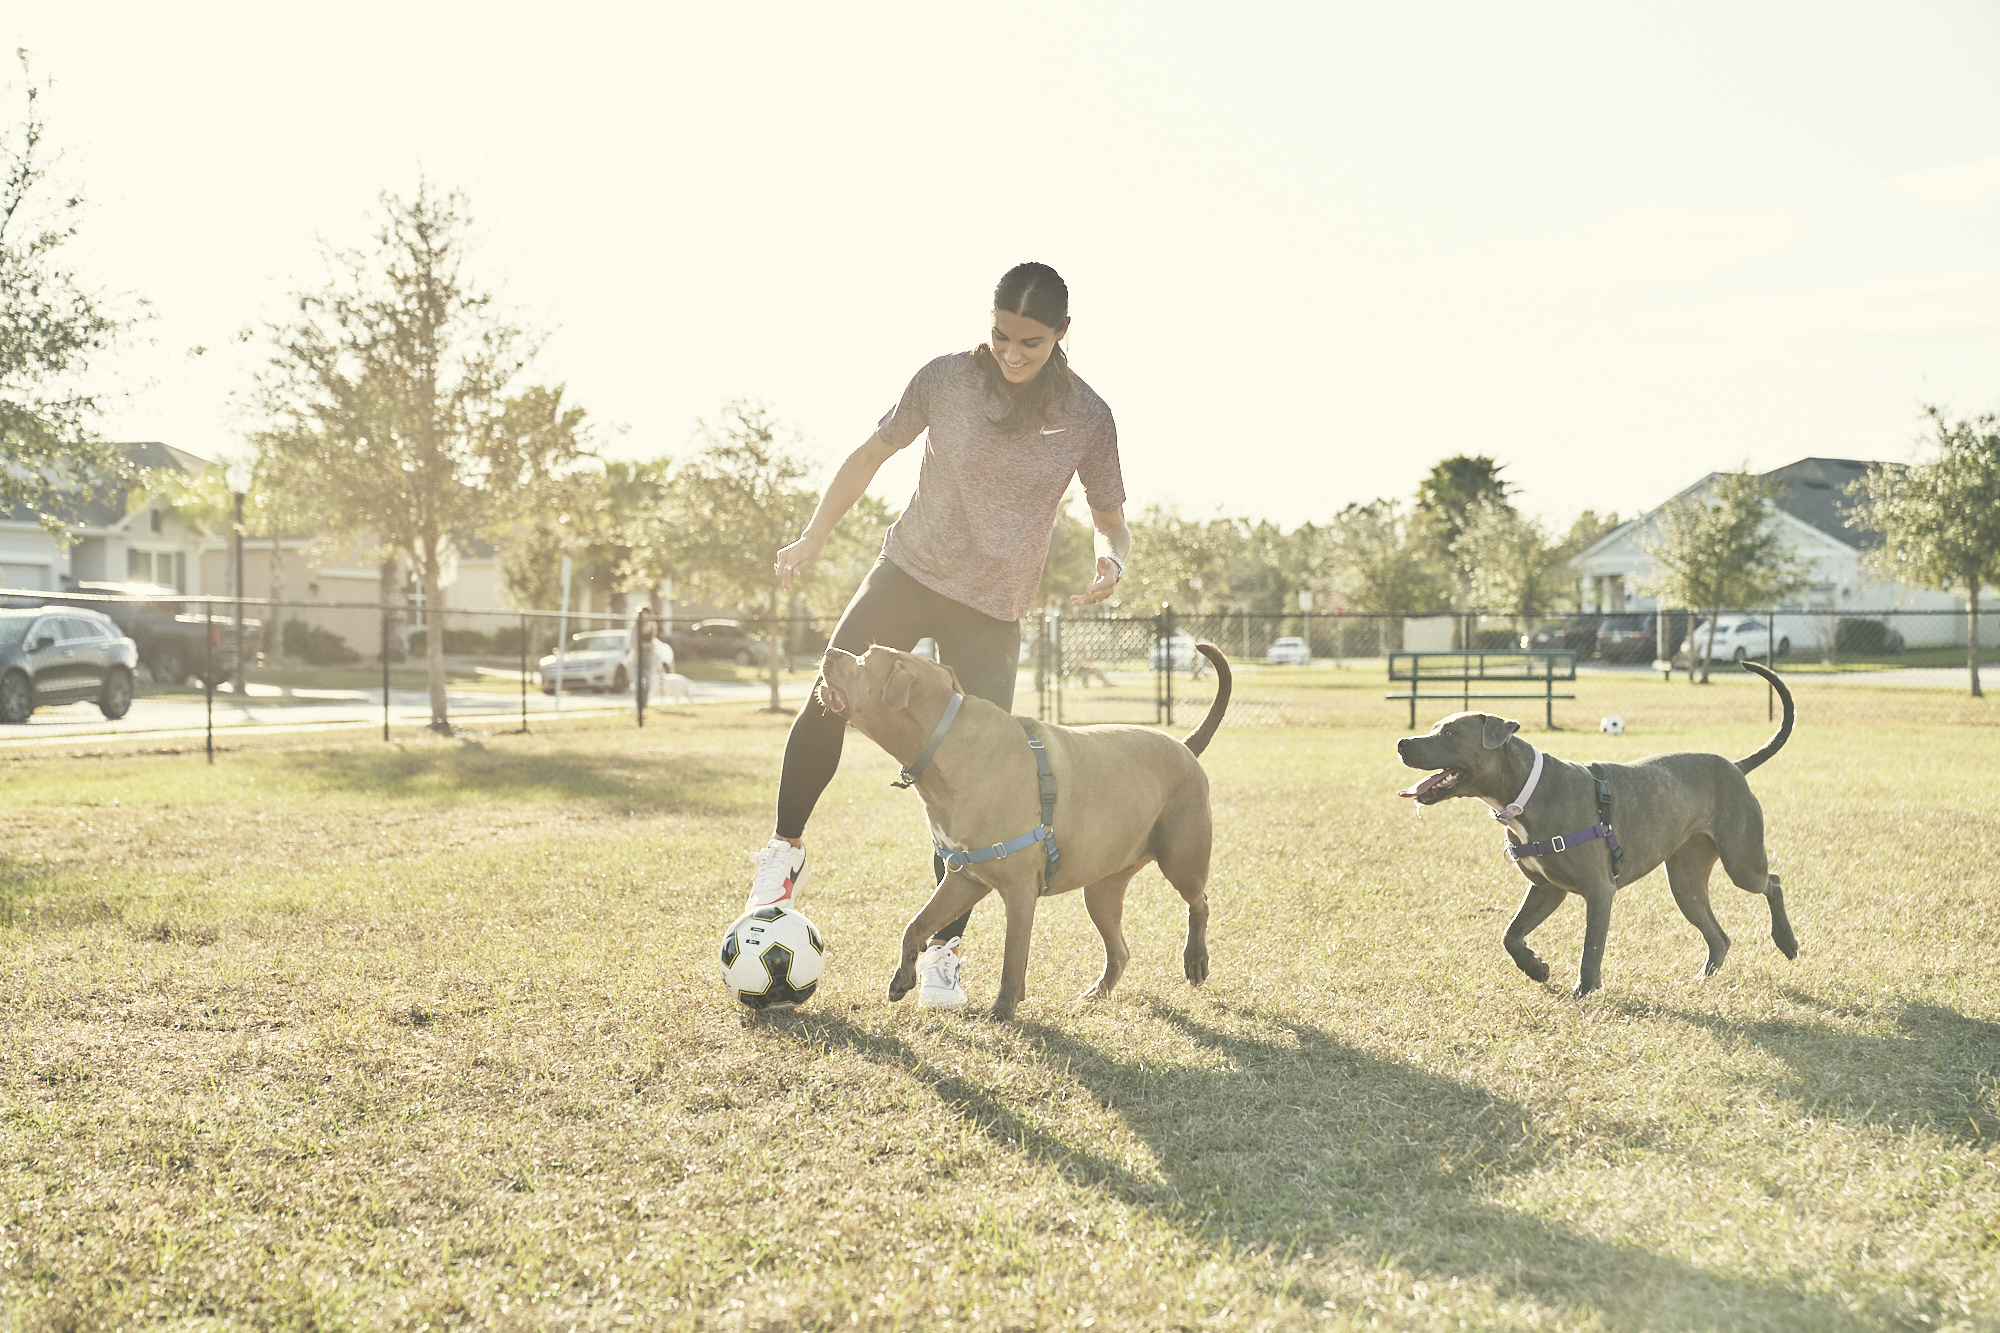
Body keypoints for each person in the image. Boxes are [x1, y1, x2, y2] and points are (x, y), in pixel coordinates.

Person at [747, 262, 1131, 1008]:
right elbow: (869, 456)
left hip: (993, 605)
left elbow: (1108, 512)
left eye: (1029, 341)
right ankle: (783, 854)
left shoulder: (1088, 416)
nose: (1012, 353)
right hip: (910, 570)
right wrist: (812, 537)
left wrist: (1110, 556)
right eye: (1000, 334)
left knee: (982, 781)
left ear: (1061, 335)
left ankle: (943, 955)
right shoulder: (946, 378)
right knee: (832, 693)